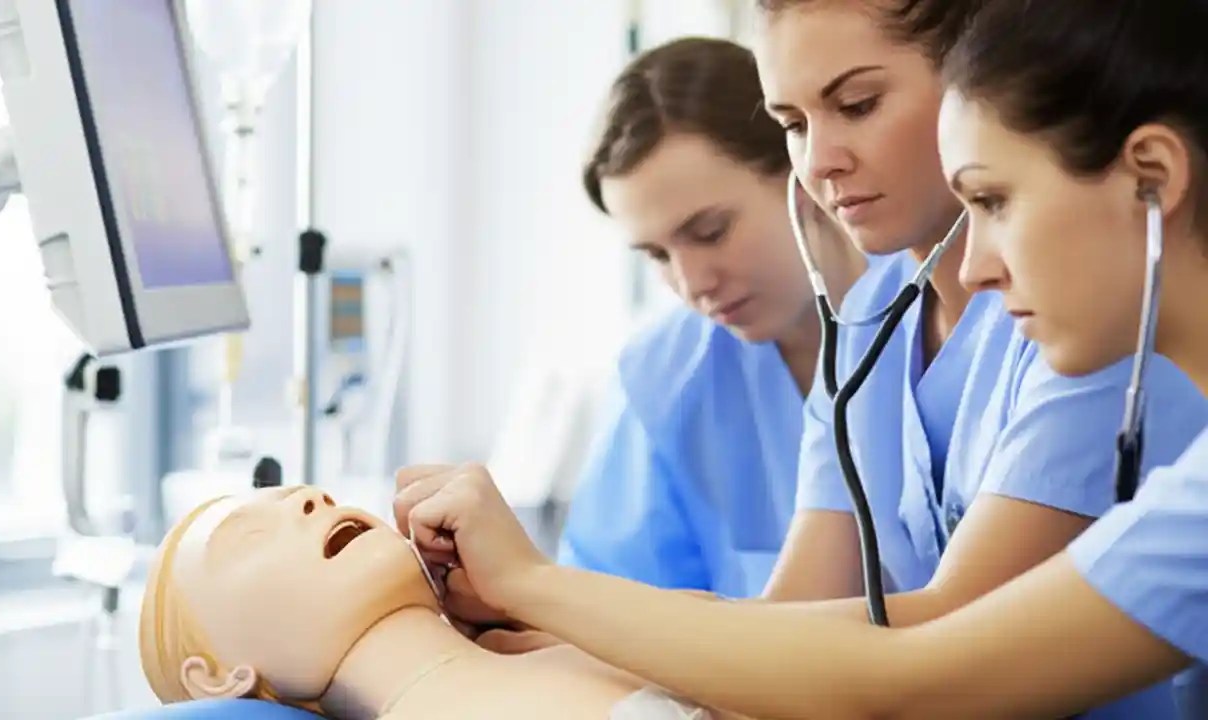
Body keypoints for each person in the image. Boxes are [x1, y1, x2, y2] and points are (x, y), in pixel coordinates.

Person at [391, 0, 1208, 717]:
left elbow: (925, 668)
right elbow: (786, 626)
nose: (818, 164)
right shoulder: (872, 324)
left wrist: (536, 591)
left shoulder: (1083, 331)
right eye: (791, 124)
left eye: (857, 103)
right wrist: (525, 627)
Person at [559, 37, 863, 598]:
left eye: (710, 232)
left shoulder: (948, 326)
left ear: (801, 168)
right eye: (657, 255)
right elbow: (612, 615)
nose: (693, 284)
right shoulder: (664, 379)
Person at [138, 484, 750, 719]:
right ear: (216, 677)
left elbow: (783, 644)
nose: (311, 501)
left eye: (312, 496)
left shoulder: (545, 644)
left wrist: (531, 606)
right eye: (249, 538)